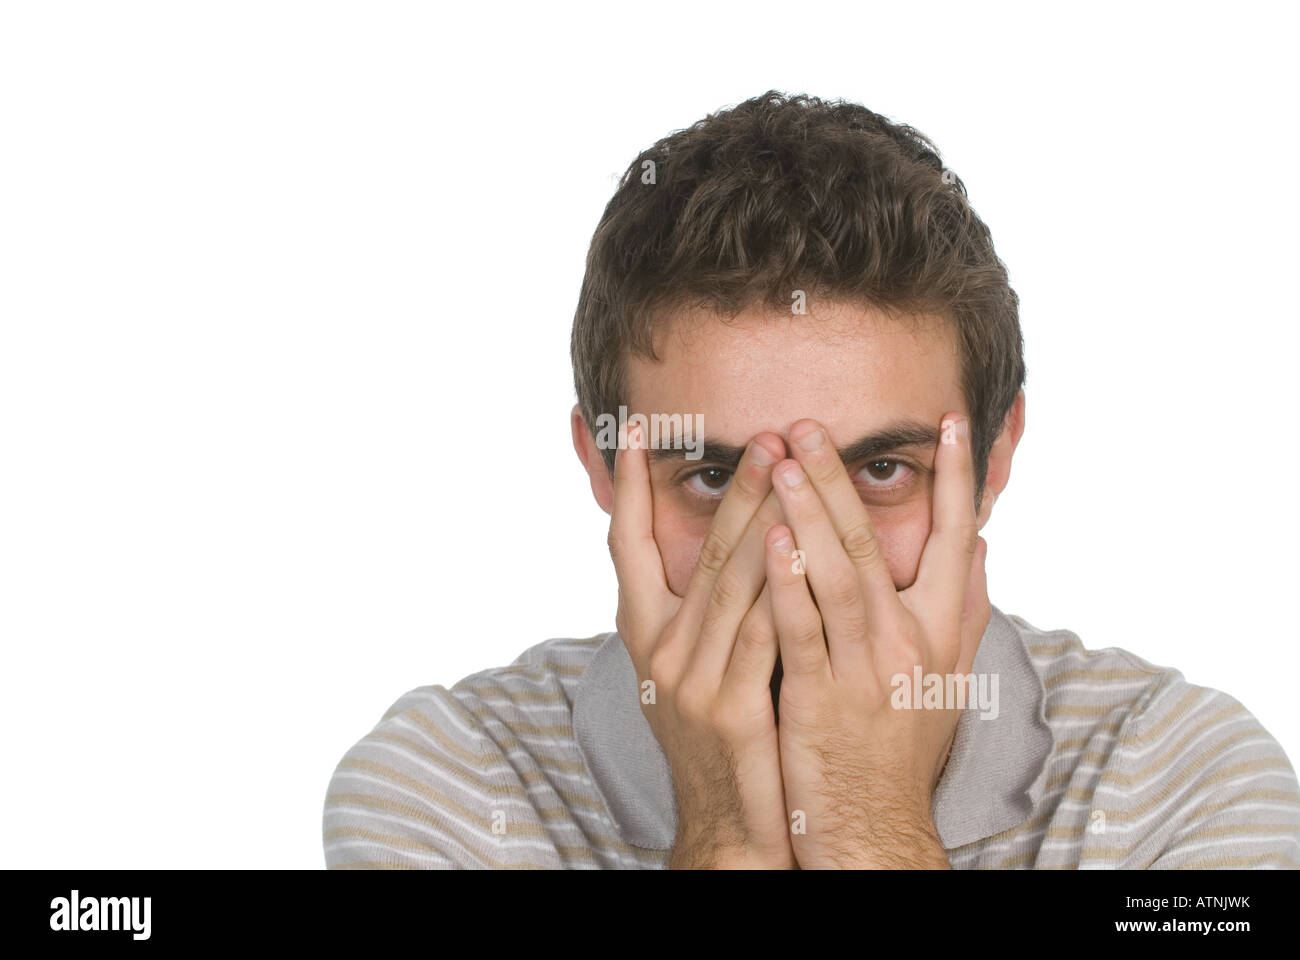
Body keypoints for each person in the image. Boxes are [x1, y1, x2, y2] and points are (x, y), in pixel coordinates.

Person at [322, 90, 1300, 869]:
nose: (791, 559)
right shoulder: (452, 785)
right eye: (713, 475)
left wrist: (870, 832)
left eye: (879, 469)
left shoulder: (1182, 777)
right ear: (604, 472)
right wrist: (726, 842)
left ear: (994, 461)